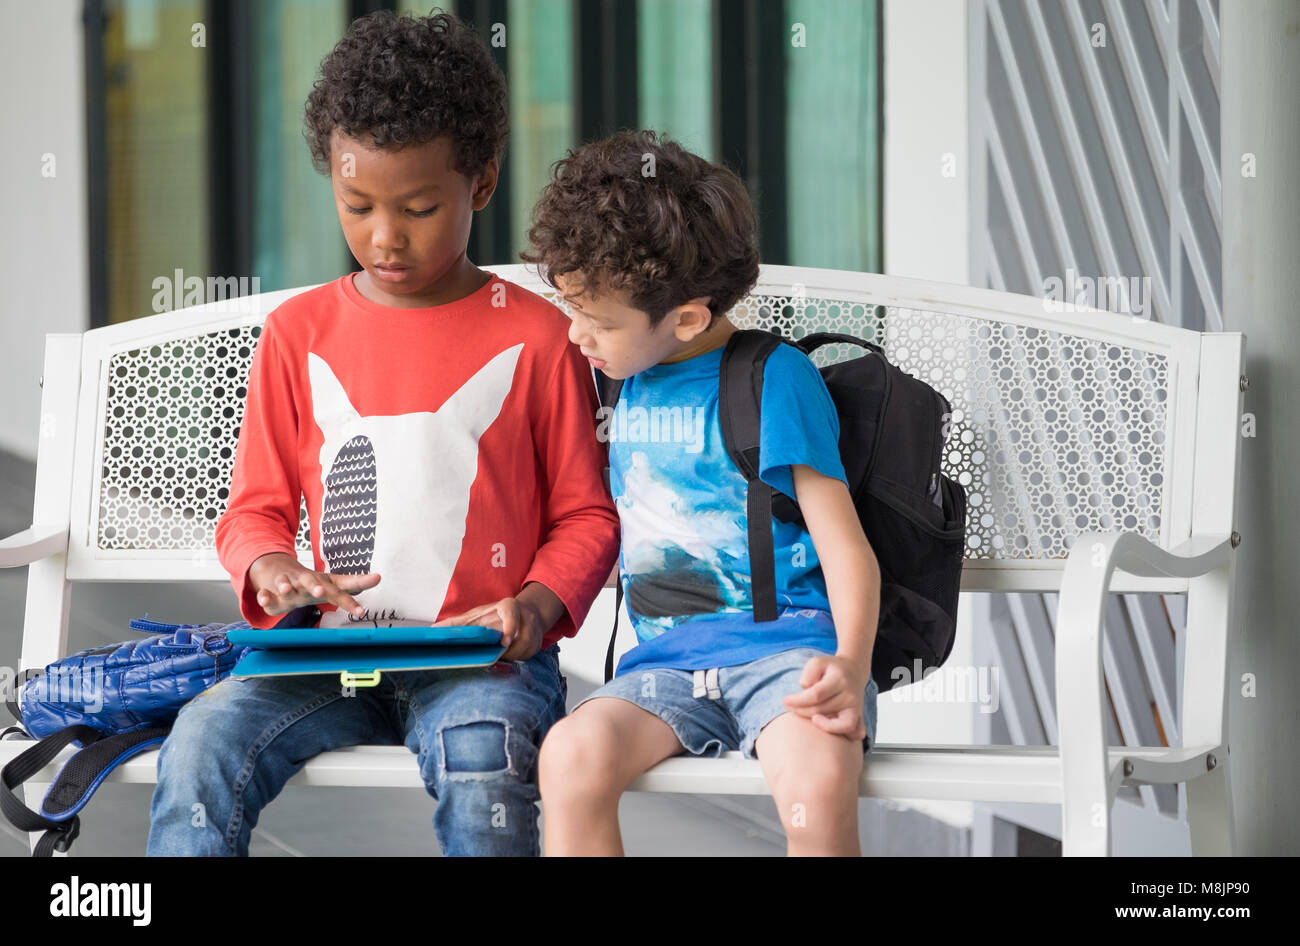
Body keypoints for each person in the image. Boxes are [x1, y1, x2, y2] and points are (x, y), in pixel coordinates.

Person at [146, 10, 618, 857]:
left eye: (419, 207)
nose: (384, 236)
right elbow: (251, 511)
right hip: (327, 656)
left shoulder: (539, 338)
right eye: (356, 204)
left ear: (480, 182)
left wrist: (536, 606)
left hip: (481, 662)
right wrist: (272, 568)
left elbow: (587, 518)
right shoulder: (299, 334)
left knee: (485, 769)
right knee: (200, 745)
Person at [528, 131, 881, 856]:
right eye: (569, 308)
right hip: (663, 669)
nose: (574, 335)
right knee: (569, 756)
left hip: (787, 658)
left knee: (814, 784)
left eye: (595, 320)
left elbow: (847, 549)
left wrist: (849, 666)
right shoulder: (614, 378)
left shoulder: (771, 379)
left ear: (687, 317)